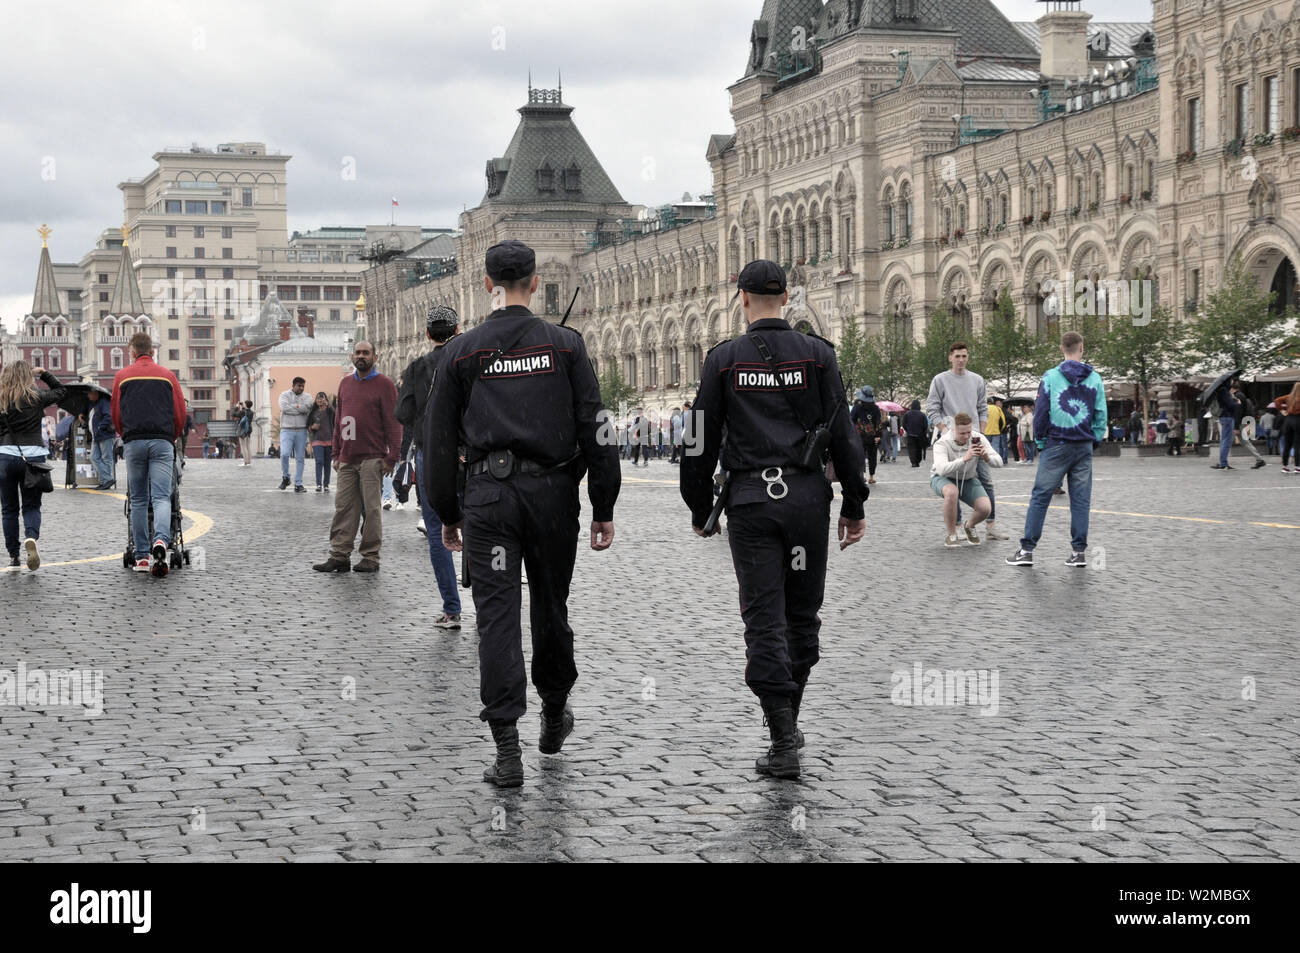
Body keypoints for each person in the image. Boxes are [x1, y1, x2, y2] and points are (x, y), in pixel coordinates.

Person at [423, 239, 620, 787]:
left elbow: (437, 441)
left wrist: (447, 510)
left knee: (497, 618)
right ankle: (555, 714)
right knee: (551, 608)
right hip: (553, 496)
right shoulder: (566, 345)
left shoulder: (460, 351)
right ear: (535, 284)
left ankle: (507, 752)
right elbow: (596, 427)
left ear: (487, 285)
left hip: (488, 499)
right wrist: (604, 502)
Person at [682, 258, 867, 782]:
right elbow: (845, 437)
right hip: (808, 500)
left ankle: (782, 733)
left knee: (763, 619)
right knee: (802, 616)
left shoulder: (723, 360)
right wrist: (854, 504)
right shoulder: (818, 355)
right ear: (787, 297)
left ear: (741, 298)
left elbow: (698, 438)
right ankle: (789, 722)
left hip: (751, 504)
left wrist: (699, 507)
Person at [1006, 331, 1107, 568]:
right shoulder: (1095, 379)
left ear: (1061, 349)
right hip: (1082, 444)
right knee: (1081, 500)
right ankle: (1079, 552)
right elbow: (1101, 413)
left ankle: (1027, 550)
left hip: (1057, 443)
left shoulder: (1051, 376)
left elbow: (1041, 411)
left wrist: (1040, 441)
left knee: (1041, 497)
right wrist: (1095, 438)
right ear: (1081, 348)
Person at [395, 306, 463, 630]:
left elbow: (403, 412)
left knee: (437, 531)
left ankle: (452, 609)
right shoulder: (467, 361)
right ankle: (489, 606)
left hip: (430, 453)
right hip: (468, 454)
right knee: (479, 526)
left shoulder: (417, 367)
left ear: (427, 334)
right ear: (457, 331)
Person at [312, 343, 401, 574]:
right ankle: (339, 556)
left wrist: (392, 457)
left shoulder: (385, 385)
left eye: (366, 353)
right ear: (352, 357)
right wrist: (335, 452)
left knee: (371, 509)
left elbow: (394, 423)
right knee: (343, 507)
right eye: (358, 353)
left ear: (375, 357)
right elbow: (339, 419)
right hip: (347, 458)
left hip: (373, 457)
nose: (361, 356)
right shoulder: (345, 384)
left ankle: (371, 557)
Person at [112, 332, 188, 577]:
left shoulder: (122, 377)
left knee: (138, 500)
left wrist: (126, 435)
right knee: (162, 497)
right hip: (162, 442)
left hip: (134, 442)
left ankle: (142, 556)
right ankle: (161, 541)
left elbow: (116, 413)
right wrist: (172, 435)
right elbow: (180, 411)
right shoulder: (168, 376)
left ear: (132, 352)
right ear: (152, 351)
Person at [925, 342, 1008, 540]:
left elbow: (982, 407)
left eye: (964, 356)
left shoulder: (977, 380)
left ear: (968, 357)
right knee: (953, 480)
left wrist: (981, 431)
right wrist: (945, 431)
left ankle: (991, 524)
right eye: (957, 356)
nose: (961, 359)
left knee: (986, 480)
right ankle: (958, 524)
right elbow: (932, 408)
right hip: (951, 438)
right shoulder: (940, 380)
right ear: (950, 357)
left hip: (974, 437)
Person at [0, 362, 67, 570]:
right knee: (31, 505)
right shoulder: (36, 396)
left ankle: (13, 556)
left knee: (9, 509)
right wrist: (44, 374)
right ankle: (31, 537)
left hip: (5, 455)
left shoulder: (1, 398)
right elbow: (60, 391)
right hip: (34, 458)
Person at [931, 412, 1001, 547]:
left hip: (968, 479)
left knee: (985, 509)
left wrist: (987, 458)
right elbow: (941, 469)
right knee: (952, 493)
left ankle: (969, 526)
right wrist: (964, 459)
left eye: (969, 432)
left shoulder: (977, 438)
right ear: (953, 430)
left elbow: (999, 461)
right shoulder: (942, 443)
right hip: (943, 478)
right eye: (962, 433)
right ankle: (951, 535)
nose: (967, 436)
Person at [278, 377, 313, 492]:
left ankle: (298, 483)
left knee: (300, 458)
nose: (301, 388)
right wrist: (299, 408)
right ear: (293, 385)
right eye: (299, 386)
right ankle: (286, 477)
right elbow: (284, 408)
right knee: (284, 454)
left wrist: (293, 407)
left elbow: (307, 408)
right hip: (286, 429)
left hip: (301, 430)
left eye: (303, 386)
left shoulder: (307, 397)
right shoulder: (284, 395)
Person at [850, 386, 881, 484]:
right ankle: (871, 477)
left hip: (859, 437)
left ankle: (862, 476)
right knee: (872, 457)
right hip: (872, 437)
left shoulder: (857, 407)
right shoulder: (876, 408)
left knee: (860, 456)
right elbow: (878, 423)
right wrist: (878, 436)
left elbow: (851, 421)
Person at [87, 388, 117, 490]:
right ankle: (107, 479)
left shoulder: (104, 402)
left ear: (96, 394)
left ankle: (105, 481)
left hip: (105, 435)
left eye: (90, 394)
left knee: (106, 458)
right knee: (94, 457)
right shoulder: (95, 404)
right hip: (97, 436)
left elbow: (108, 416)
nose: (88, 396)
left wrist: (100, 427)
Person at [307, 392, 335, 492]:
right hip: (317, 440)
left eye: (322, 398)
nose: (320, 400)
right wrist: (312, 427)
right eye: (318, 399)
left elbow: (334, 416)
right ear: (316, 401)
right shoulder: (313, 412)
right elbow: (308, 426)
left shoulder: (329, 411)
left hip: (329, 440)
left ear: (326, 400)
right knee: (319, 461)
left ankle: (326, 484)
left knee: (327, 463)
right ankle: (318, 484)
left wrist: (328, 405)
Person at [902, 399, 928, 467]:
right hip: (920, 435)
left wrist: (908, 430)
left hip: (910, 434)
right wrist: (923, 432)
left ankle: (913, 462)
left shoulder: (907, 414)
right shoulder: (922, 415)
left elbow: (903, 424)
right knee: (919, 448)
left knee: (911, 449)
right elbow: (925, 425)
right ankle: (917, 461)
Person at [983, 396, 1008, 463]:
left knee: (986, 447)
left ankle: (986, 461)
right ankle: (995, 461)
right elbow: (1003, 421)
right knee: (995, 447)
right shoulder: (997, 408)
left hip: (986, 431)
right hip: (996, 431)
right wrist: (1001, 429)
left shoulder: (984, 408)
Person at [236, 400, 254, 466]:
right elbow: (245, 412)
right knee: (248, 445)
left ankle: (245, 462)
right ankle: (249, 461)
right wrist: (243, 407)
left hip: (243, 429)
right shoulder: (252, 412)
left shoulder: (243, 412)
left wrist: (237, 407)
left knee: (243, 446)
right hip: (249, 429)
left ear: (246, 405)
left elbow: (234, 414)